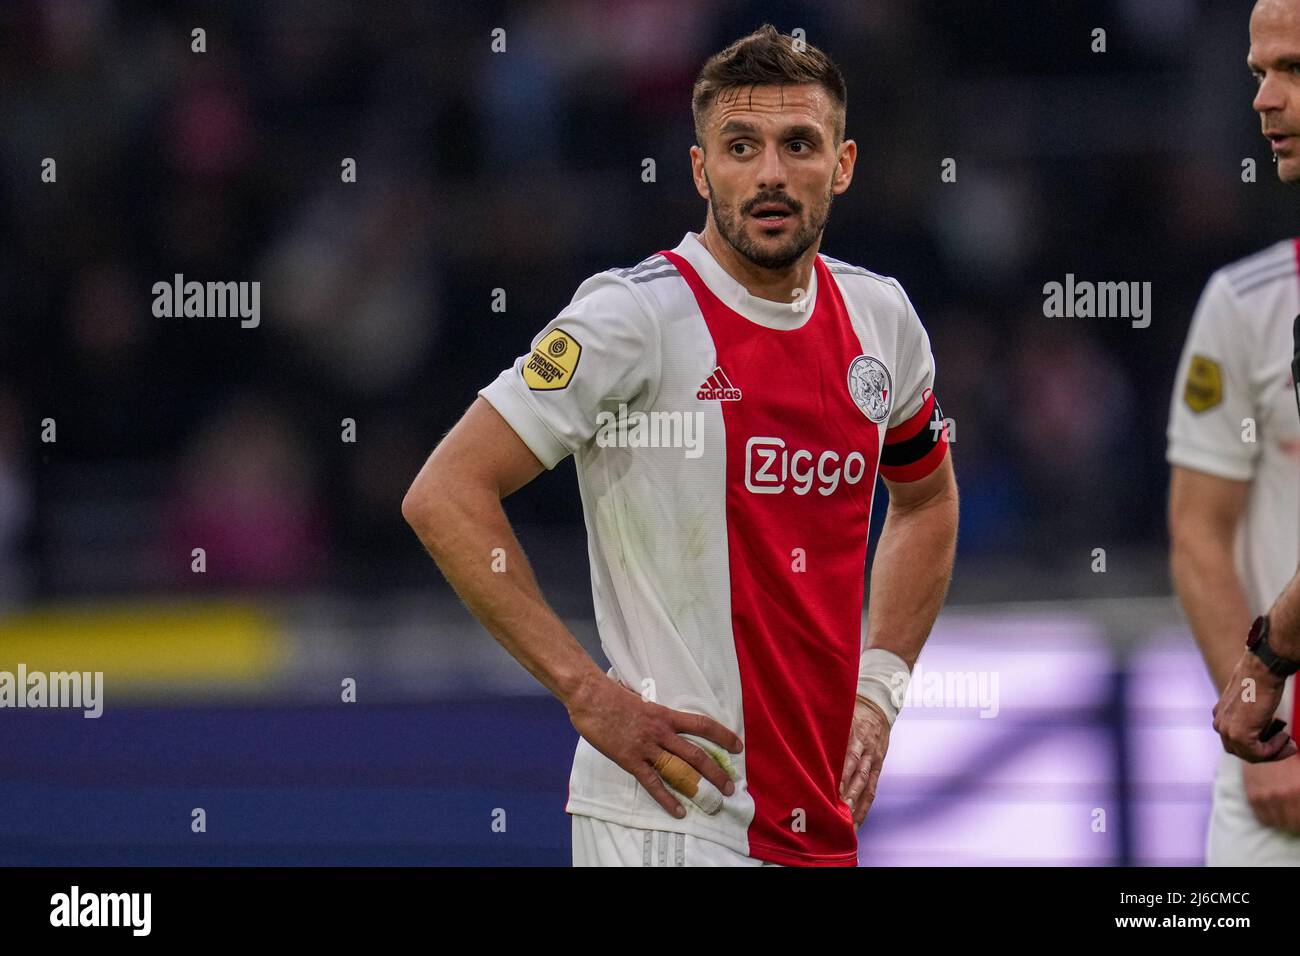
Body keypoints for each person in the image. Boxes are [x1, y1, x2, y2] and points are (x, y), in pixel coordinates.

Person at [402, 24, 957, 866]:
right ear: (702, 170)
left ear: (842, 166)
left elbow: (925, 498)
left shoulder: (882, 321)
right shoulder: (633, 317)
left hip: (815, 821)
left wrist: (879, 694)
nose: (770, 173)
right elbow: (445, 492)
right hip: (666, 815)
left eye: (798, 144)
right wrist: (587, 693)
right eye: (741, 146)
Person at [1172, 0, 1300, 865]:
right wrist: (1262, 713)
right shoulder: (1247, 304)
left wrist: (1267, 665)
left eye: (1293, 70)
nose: (1264, 99)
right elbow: (1196, 532)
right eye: (1259, 73)